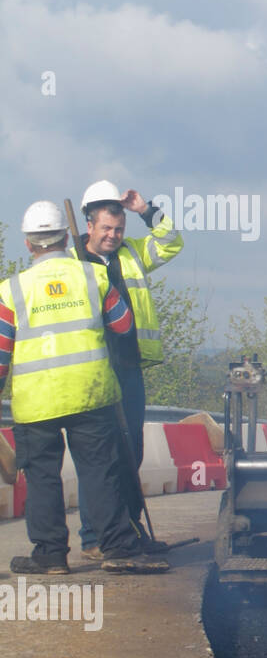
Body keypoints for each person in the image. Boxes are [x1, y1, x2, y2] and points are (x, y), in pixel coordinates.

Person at [0, 201, 167, 574]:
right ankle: (118, 549)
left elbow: (1, 352)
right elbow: (123, 325)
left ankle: (51, 556)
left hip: (35, 402)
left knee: (42, 478)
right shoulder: (93, 277)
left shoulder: (11, 290)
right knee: (100, 473)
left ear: (29, 244)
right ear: (66, 237)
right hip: (91, 394)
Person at [76, 179, 183, 558]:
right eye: (106, 228)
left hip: (128, 366)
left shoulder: (133, 253)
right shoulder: (73, 263)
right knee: (99, 455)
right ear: (89, 225)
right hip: (90, 371)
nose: (113, 235)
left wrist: (145, 210)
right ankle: (93, 536)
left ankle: (128, 528)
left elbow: (172, 242)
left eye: (119, 228)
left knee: (130, 450)